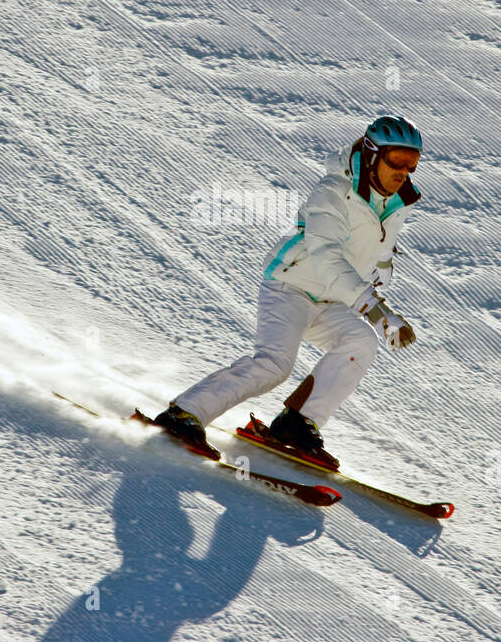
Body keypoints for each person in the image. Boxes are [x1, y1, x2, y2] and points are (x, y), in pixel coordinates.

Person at [154, 115, 424, 468]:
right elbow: (327, 256)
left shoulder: (394, 204)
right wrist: (375, 309)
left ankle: (296, 424)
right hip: (290, 288)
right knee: (275, 365)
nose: (404, 171)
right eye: (396, 160)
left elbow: (381, 256)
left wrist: (379, 290)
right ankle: (185, 414)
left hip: (330, 301)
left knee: (360, 342)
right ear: (372, 155)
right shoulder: (332, 192)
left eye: (412, 163)